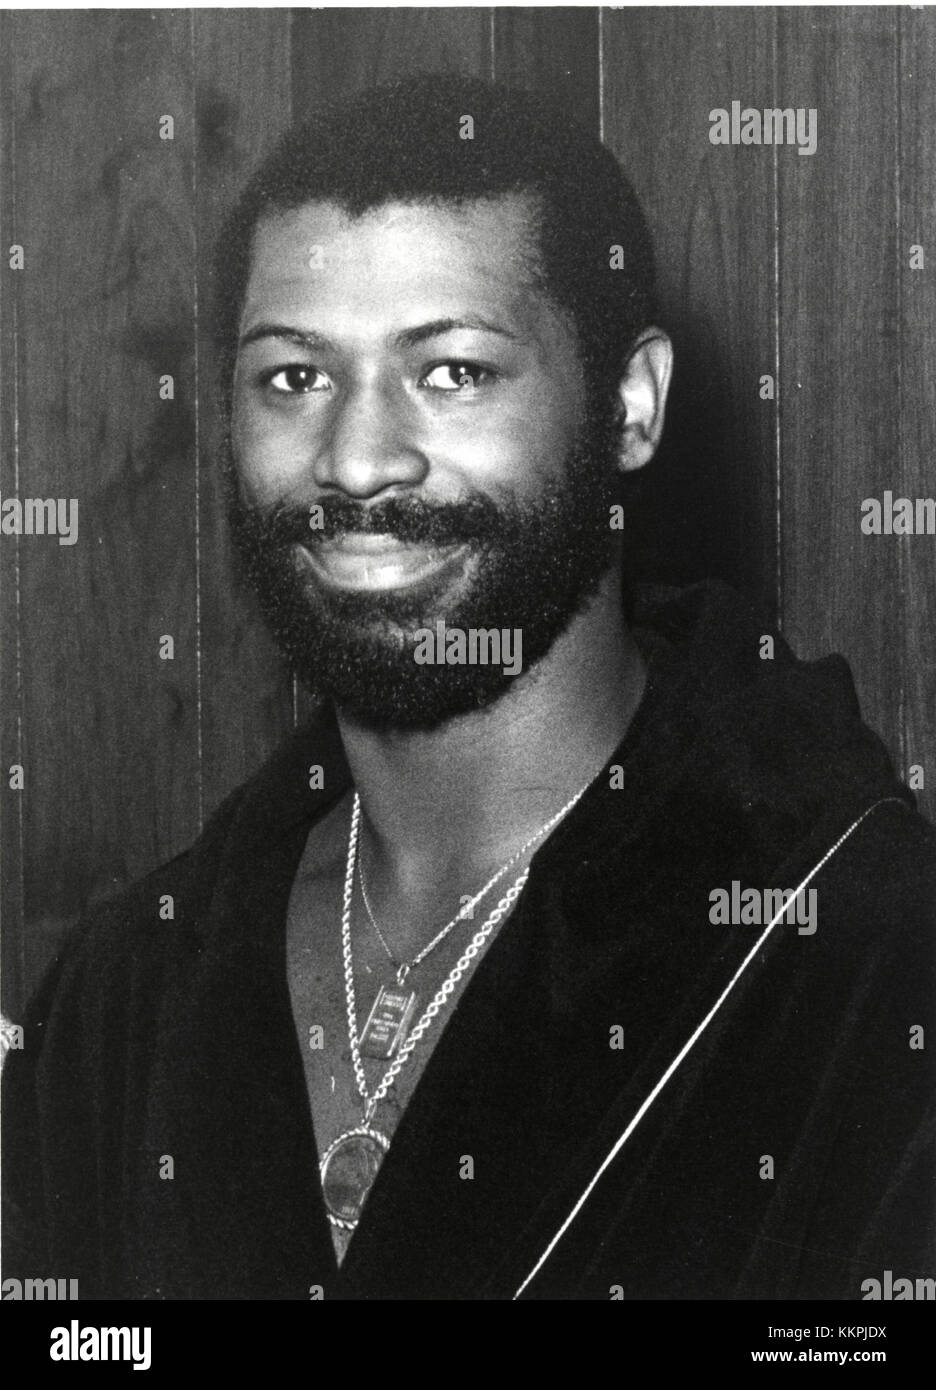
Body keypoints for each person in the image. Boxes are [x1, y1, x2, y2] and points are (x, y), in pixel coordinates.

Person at [2, 75, 933, 1302]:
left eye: (451, 372)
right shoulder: (126, 995)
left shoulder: (866, 961)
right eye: (294, 377)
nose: (357, 459)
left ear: (631, 405)